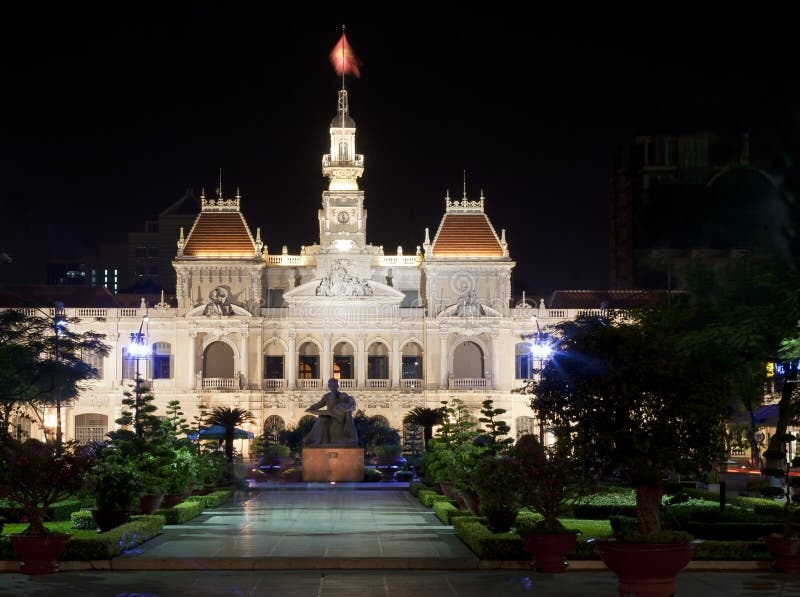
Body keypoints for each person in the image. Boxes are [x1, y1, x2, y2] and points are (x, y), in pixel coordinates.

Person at [302, 378, 358, 446]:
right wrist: (311, 408)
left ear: (337, 386)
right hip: (330, 416)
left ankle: (351, 438)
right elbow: (319, 404)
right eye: (331, 386)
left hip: (340, 416)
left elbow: (350, 403)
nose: (332, 388)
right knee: (322, 418)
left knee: (348, 415)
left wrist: (347, 407)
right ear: (329, 386)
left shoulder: (342, 396)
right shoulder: (327, 396)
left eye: (334, 386)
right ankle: (320, 441)